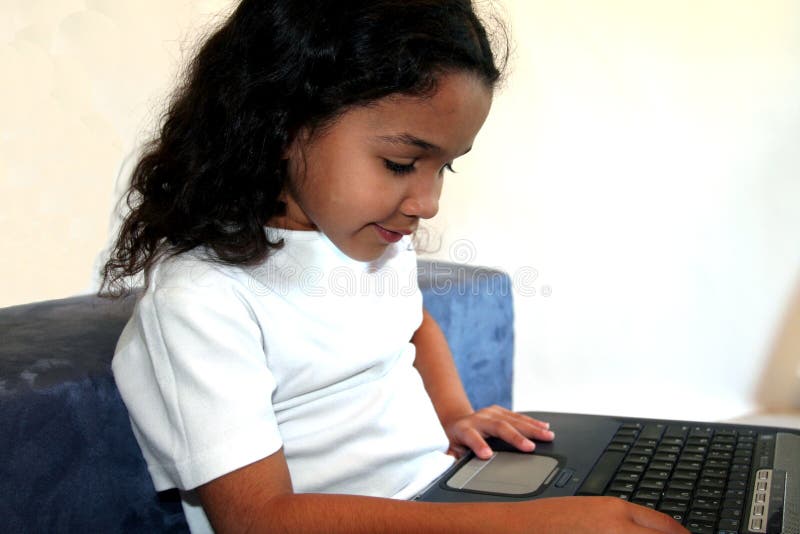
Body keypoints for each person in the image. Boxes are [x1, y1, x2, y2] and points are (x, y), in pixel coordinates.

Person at [102, 1, 688, 532]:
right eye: (402, 162)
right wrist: (527, 526)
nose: (428, 203)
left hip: (439, 497)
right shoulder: (203, 298)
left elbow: (414, 327)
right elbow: (259, 519)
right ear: (282, 124)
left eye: (445, 168)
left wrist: (455, 415)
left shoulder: (371, 242)